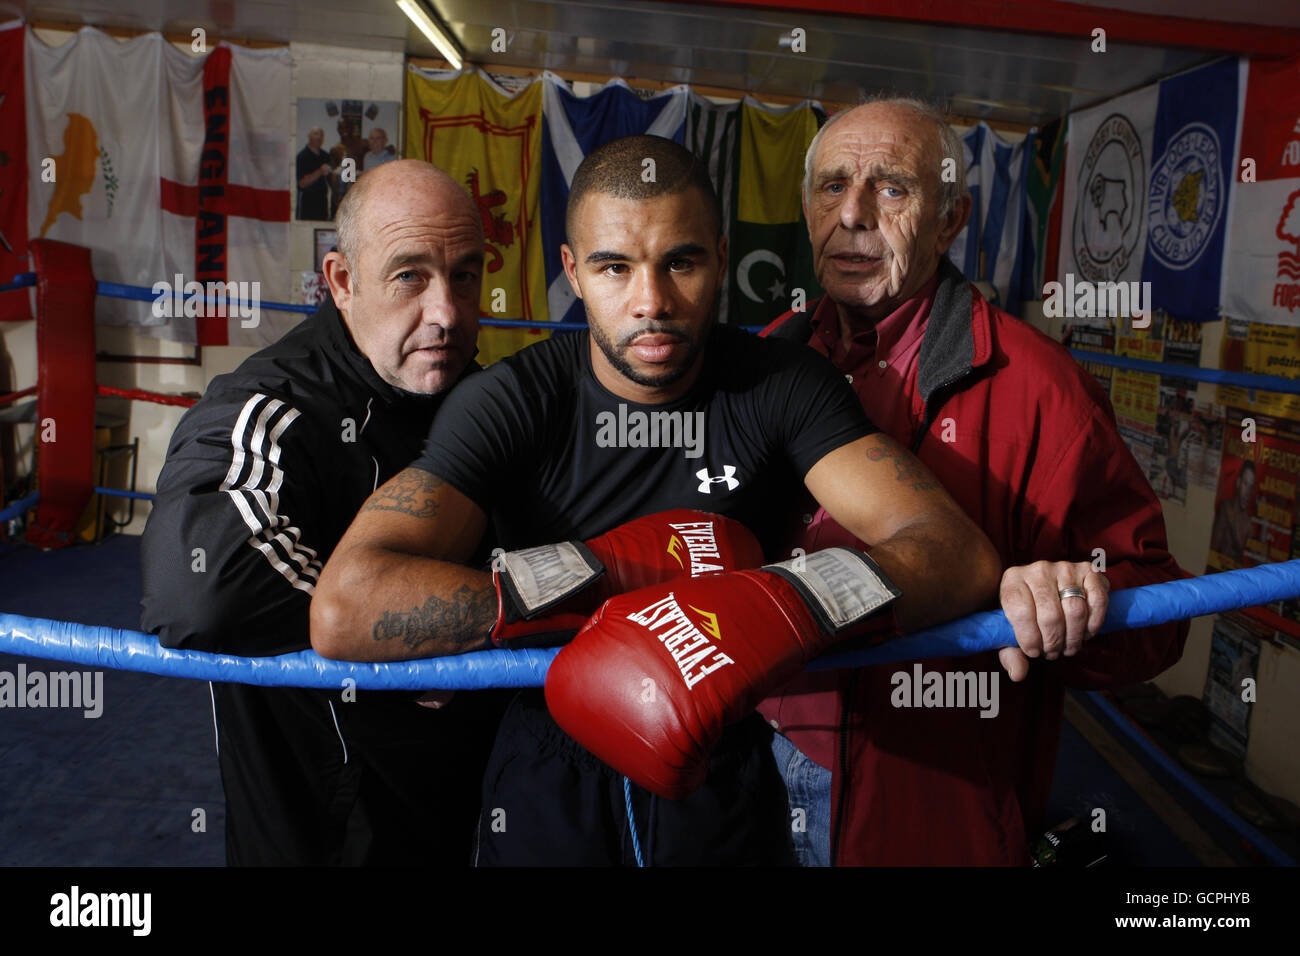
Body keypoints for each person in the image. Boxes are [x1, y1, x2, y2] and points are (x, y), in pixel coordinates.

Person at [310, 135, 1004, 866]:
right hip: (550, 765)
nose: (653, 302)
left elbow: (955, 553)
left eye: (682, 262)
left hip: (723, 764)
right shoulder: (511, 404)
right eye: (615, 267)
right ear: (574, 272)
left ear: (721, 257)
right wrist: (619, 583)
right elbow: (346, 605)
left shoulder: (781, 386)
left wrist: (785, 602)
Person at [758, 97, 1189, 866]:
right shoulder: (761, 360)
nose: (852, 214)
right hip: (755, 771)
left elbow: (1159, 612)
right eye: (831, 187)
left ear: (950, 219)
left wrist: (1072, 599)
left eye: (891, 188)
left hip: (924, 802)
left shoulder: (1043, 390)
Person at [139, 160, 504, 865]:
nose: (448, 312)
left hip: (458, 817)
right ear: (342, 281)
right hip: (315, 832)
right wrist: (412, 630)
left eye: (464, 274)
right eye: (410, 277)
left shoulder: (493, 403)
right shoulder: (274, 405)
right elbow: (199, 592)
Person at [1210, 460, 1255, 563]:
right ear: (1238, 483)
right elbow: (1214, 546)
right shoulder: (1225, 509)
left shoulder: (1249, 525)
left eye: (1251, 487)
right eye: (1245, 483)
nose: (1247, 492)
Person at [296, 127, 332, 221]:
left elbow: (330, 181)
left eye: (321, 135)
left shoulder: (326, 156)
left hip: (323, 203)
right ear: (309, 136)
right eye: (316, 134)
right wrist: (320, 171)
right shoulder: (302, 157)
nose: (319, 137)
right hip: (307, 204)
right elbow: (302, 184)